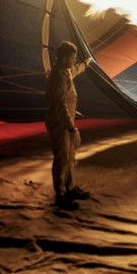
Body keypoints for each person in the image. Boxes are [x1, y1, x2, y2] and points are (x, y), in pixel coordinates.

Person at [45, 41, 92, 209]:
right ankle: (60, 195)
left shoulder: (65, 70)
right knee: (62, 159)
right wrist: (71, 128)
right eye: (72, 58)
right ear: (64, 58)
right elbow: (60, 105)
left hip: (67, 122)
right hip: (60, 123)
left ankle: (70, 189)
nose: (74, 60)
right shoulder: (58, 77)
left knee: (70, 156)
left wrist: (86, 63)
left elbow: (75, 69)